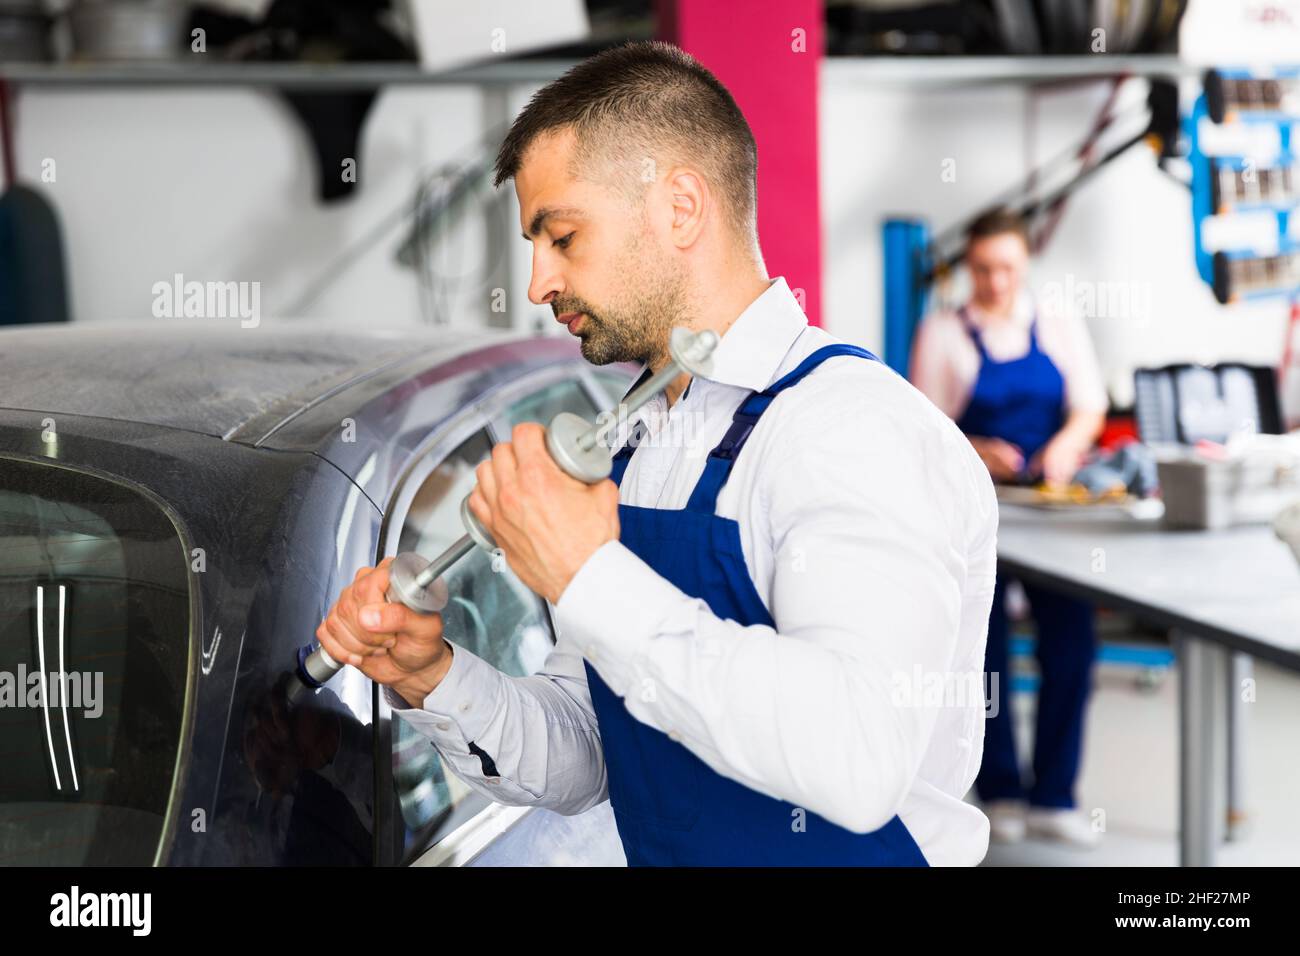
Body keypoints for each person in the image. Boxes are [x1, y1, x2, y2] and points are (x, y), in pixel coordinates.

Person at [316, 40, 998, 866]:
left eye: (561, 236)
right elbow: (595, 755)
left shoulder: (855, 432)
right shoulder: (644, 445)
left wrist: (587, 578)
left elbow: (857, 758)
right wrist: (438, 675)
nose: (537, 283)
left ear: (680, 208)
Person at [910, 209, 1108, 848]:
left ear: (1024, 267)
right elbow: (923, 429)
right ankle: (999, 790)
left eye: (1008, 269)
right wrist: (975, 447)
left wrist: (1068, 445)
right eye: (984, 269)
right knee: (982, 656)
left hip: (1052, 514)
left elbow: (1089, 405)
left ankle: (1055, 794)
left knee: (1072, 644)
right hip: (978, 516)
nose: (996, 282)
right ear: (968, 268)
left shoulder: (1056, 321)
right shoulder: (943, 331)